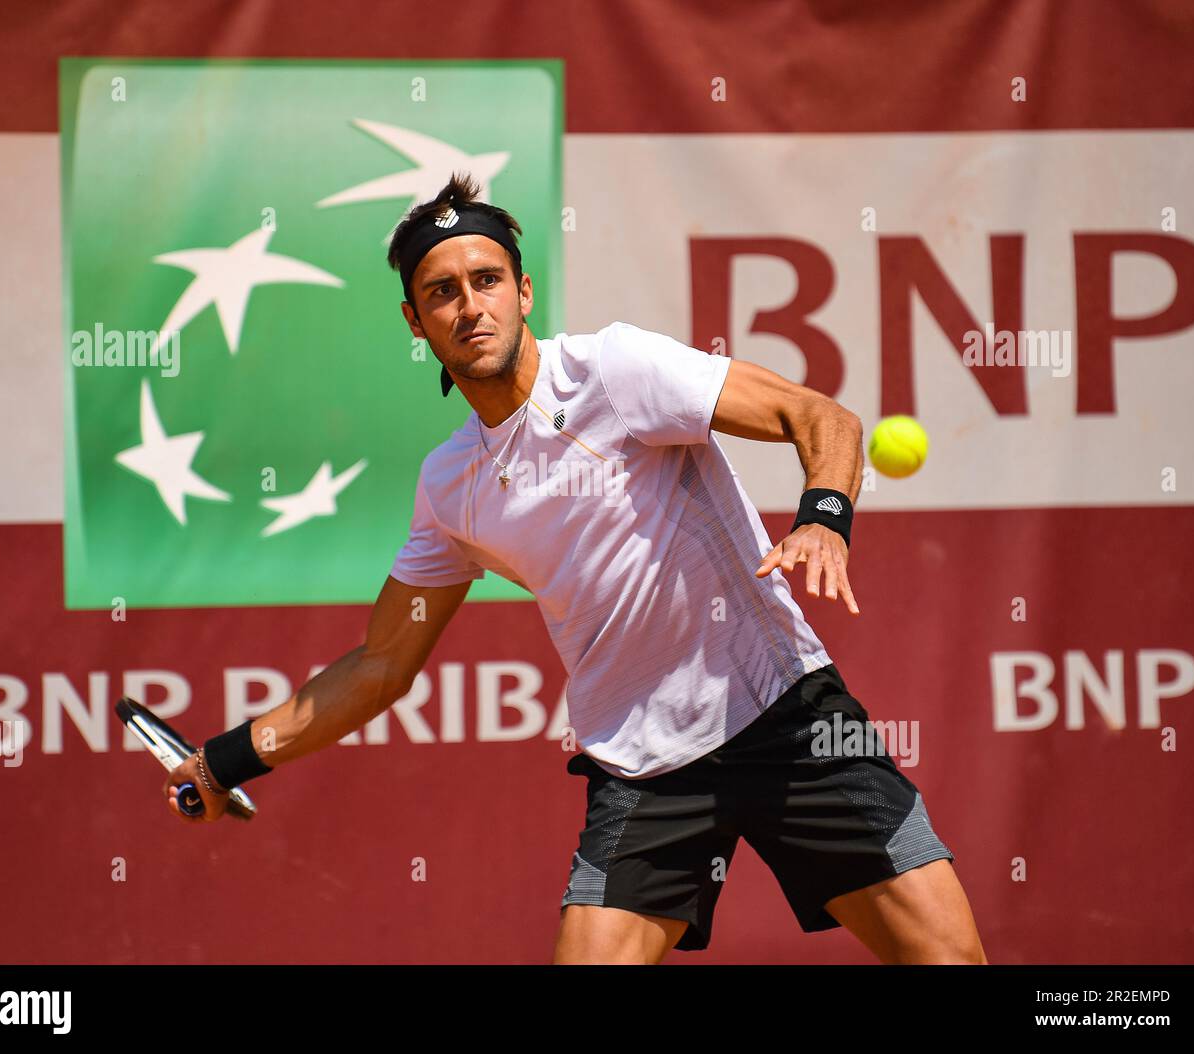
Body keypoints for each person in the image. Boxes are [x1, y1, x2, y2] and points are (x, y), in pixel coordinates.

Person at [164, 172, 986, 966]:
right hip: (642, 770)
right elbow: (382, 665)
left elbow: (818, 416)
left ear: (523, 293)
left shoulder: (617, 371)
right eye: (443, 292)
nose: (469, 304)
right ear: (416, 322)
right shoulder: (450, 488)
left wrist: (823, 520)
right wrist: (228, 760)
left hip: (788, 715)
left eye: (486, 280)